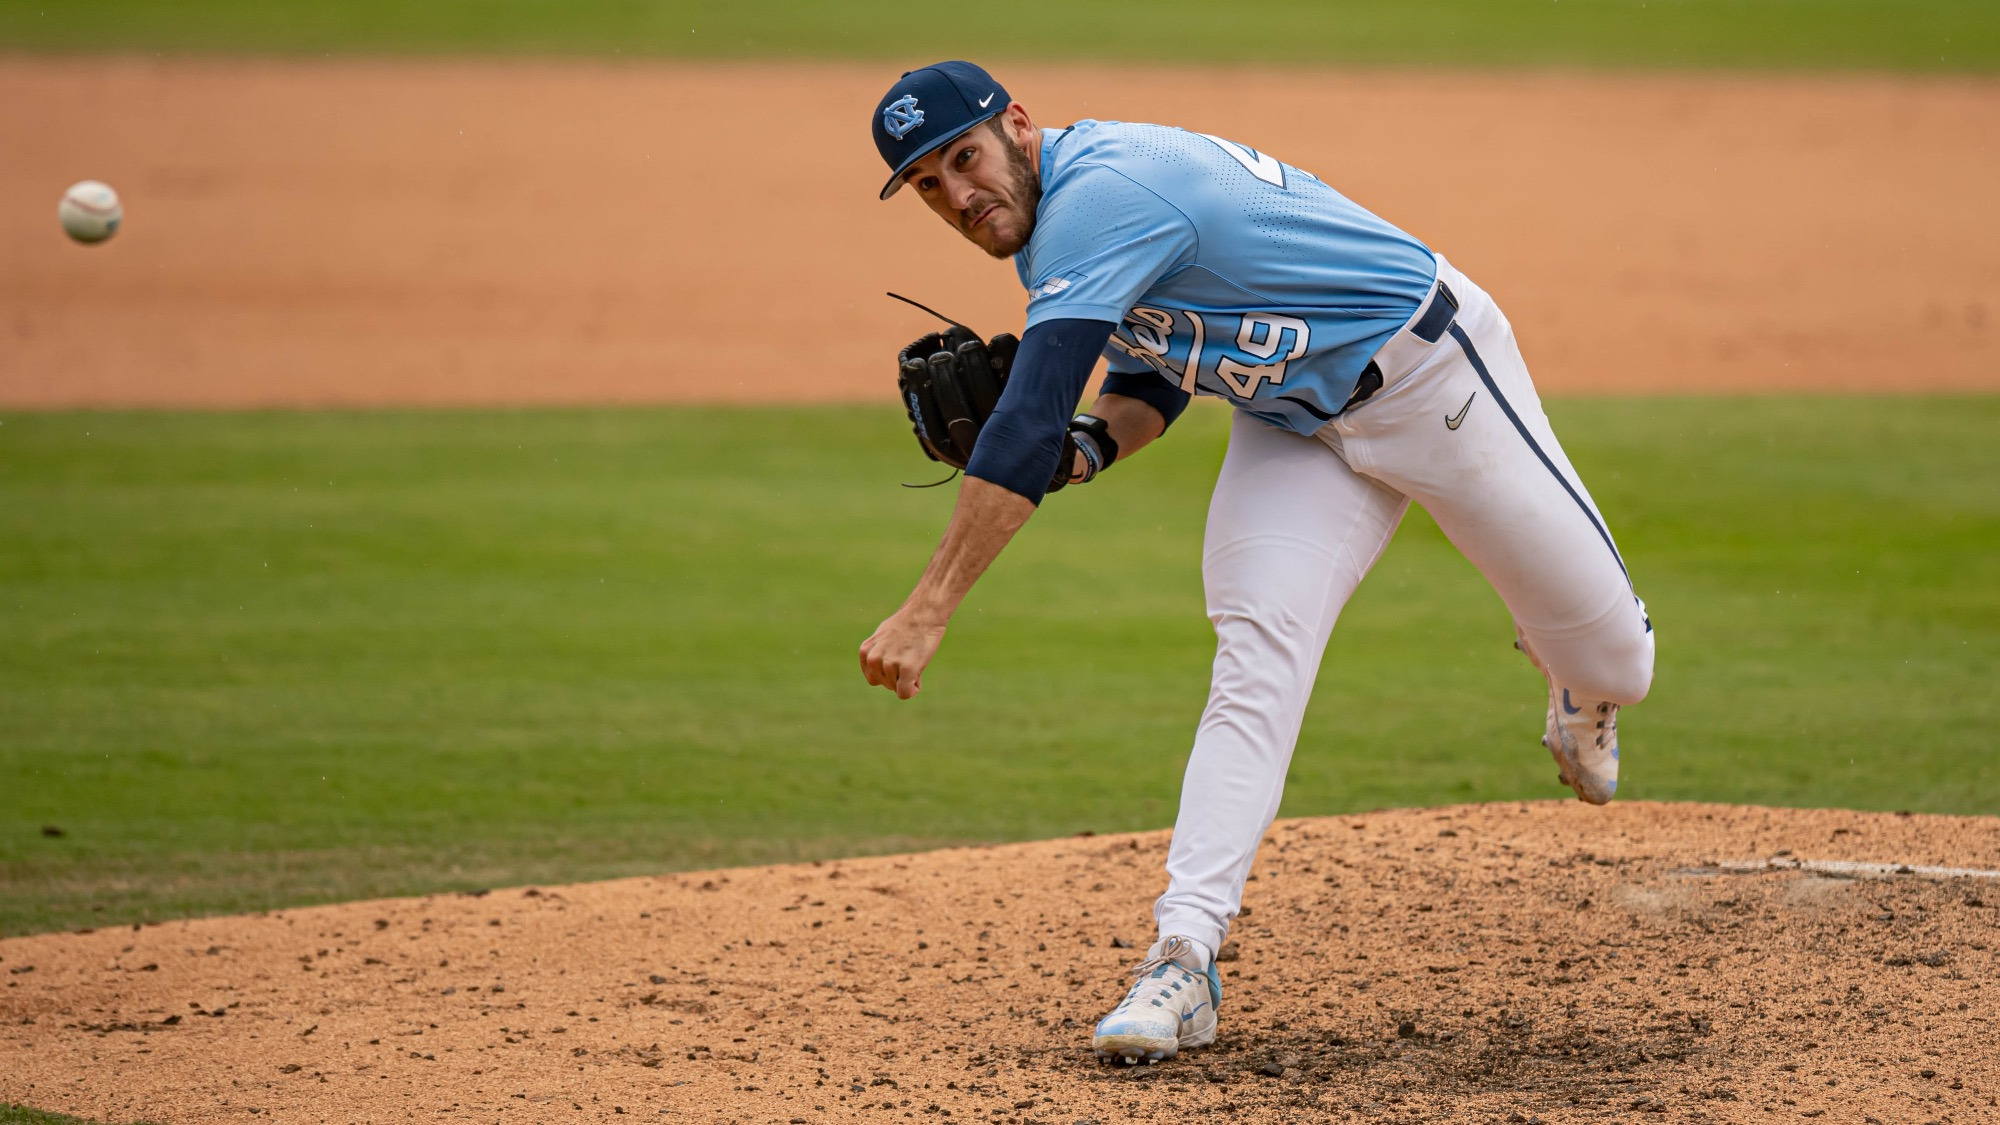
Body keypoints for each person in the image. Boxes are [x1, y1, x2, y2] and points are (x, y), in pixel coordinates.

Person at [857, 61, 1654, 1066]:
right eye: (928, 184)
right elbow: (1157, 363)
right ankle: (1180, 961)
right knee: (1255, 651)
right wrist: (1088, 447)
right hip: (1293, 425)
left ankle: (1572, 676)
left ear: (1017, 125)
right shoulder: (1061, 218)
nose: (959, 196)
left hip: (1432, 381)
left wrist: (928, 605)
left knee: (1618, 662)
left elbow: (1021, 420)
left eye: (963, 158)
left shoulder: (1100, 196)